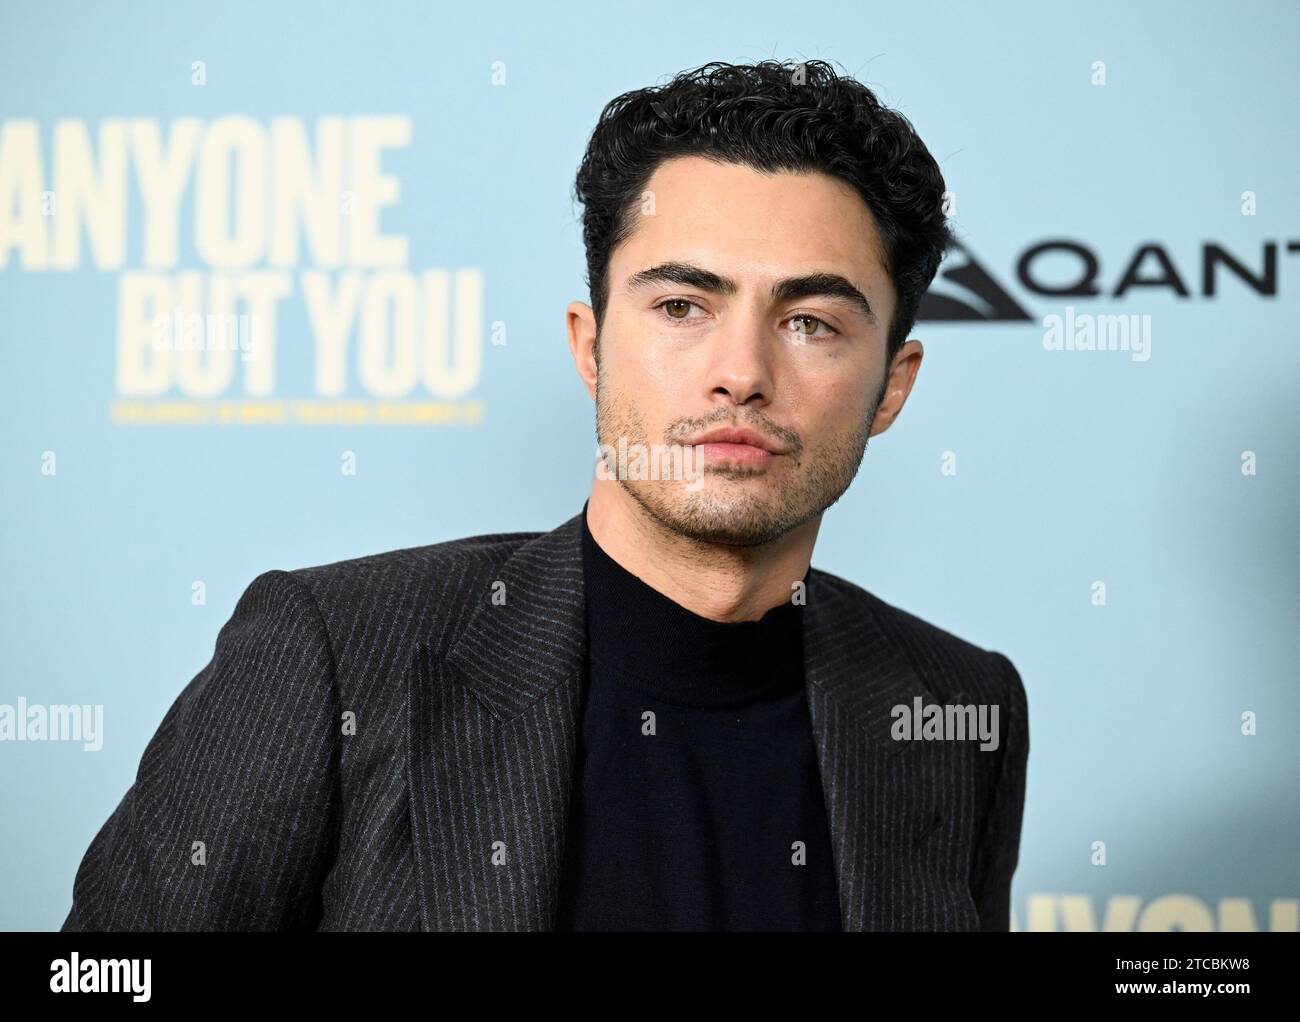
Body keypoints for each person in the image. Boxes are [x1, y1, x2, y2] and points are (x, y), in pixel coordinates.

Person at [62, 58, 1028, 932]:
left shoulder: (955, 707)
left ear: (893, 384)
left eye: (811, 321)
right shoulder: (333, 656)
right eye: (683, 306)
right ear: (590, 346)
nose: (741, 372)